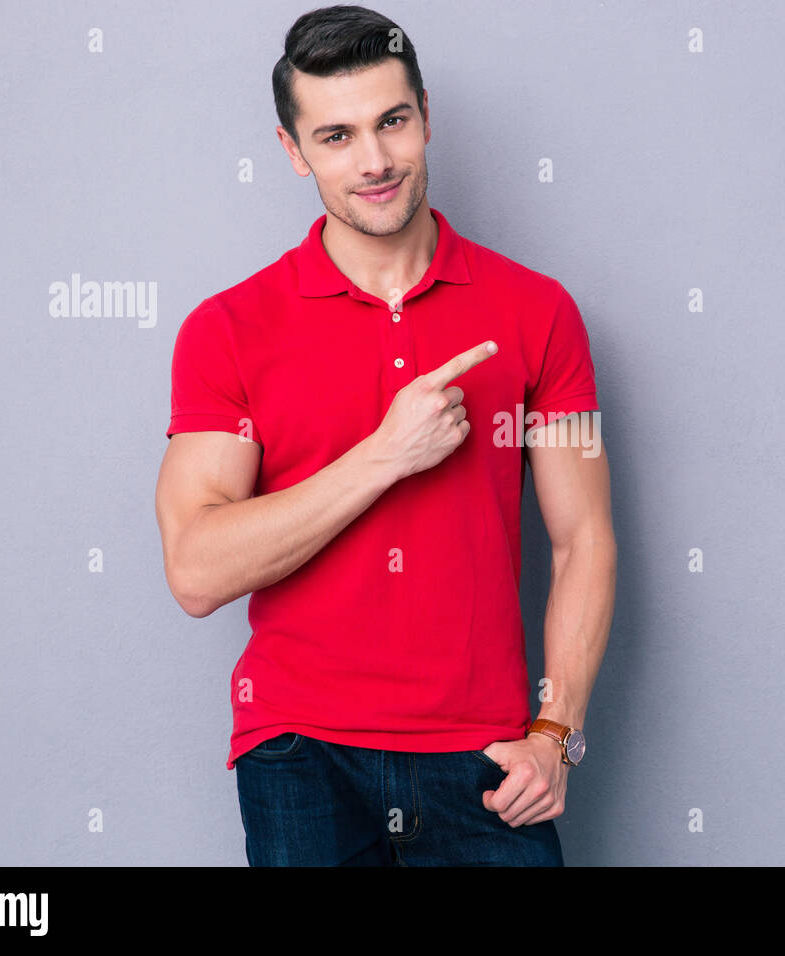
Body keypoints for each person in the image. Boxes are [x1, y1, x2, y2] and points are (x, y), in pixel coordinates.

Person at [153, 4, 616, 866]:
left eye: (392, 122)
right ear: (294, 152)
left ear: (426, 117)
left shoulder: (540, 311)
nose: (373, 162)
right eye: (335, 136)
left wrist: (558, 732)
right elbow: (195, 571)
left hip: (486, 756)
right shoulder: (226, 329)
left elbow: (583, 539)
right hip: (300, 754)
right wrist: (383, 457)